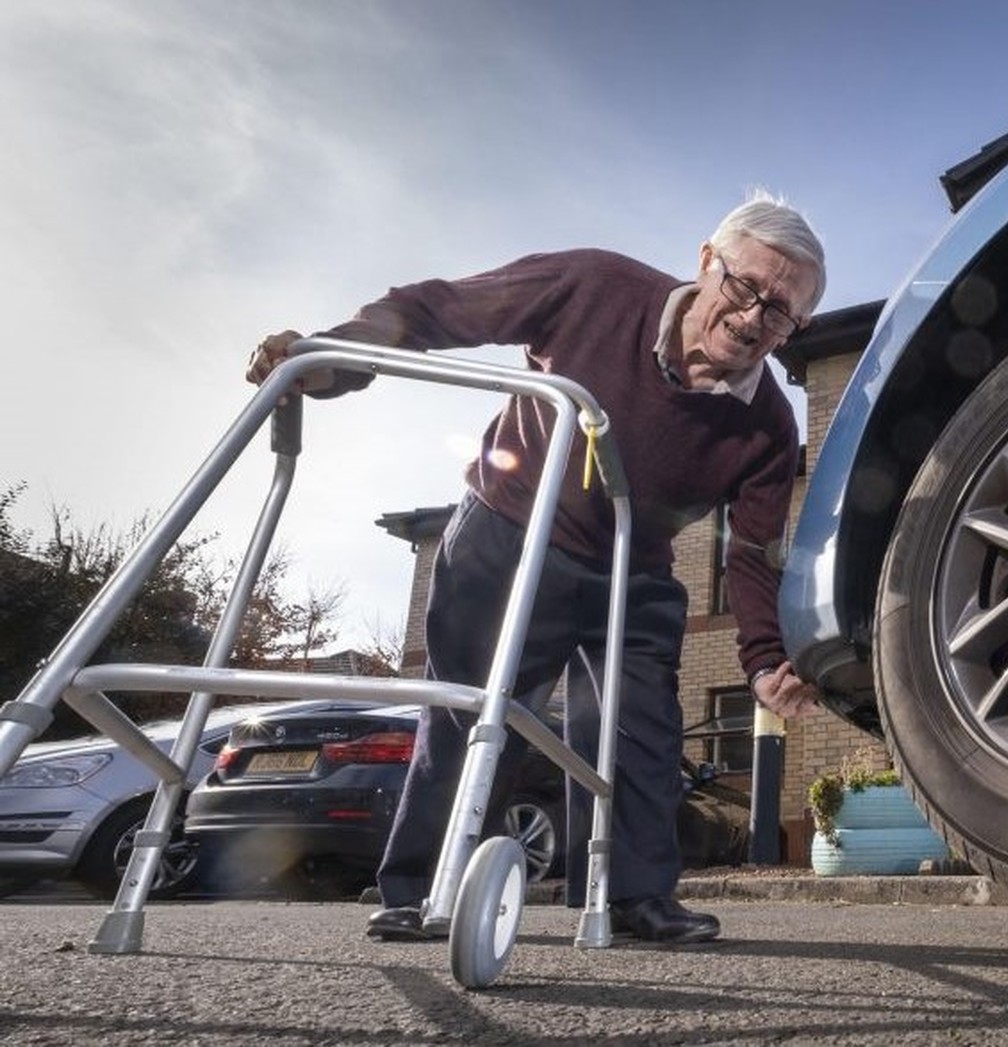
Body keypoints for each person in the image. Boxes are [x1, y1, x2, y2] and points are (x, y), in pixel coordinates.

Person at [246, 190, 825, 944]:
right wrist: (335, 357)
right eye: (745, 287)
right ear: (706, 263)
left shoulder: (767, 426)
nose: (754, 319)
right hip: (506, 531)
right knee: (471, 710)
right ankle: (426, 887)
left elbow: (750, 551)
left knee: (637, 725)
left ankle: (633, 897)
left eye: (781, 312)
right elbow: (438, 307)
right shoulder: (594, 285)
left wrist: (762, 658)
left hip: (630, 569)